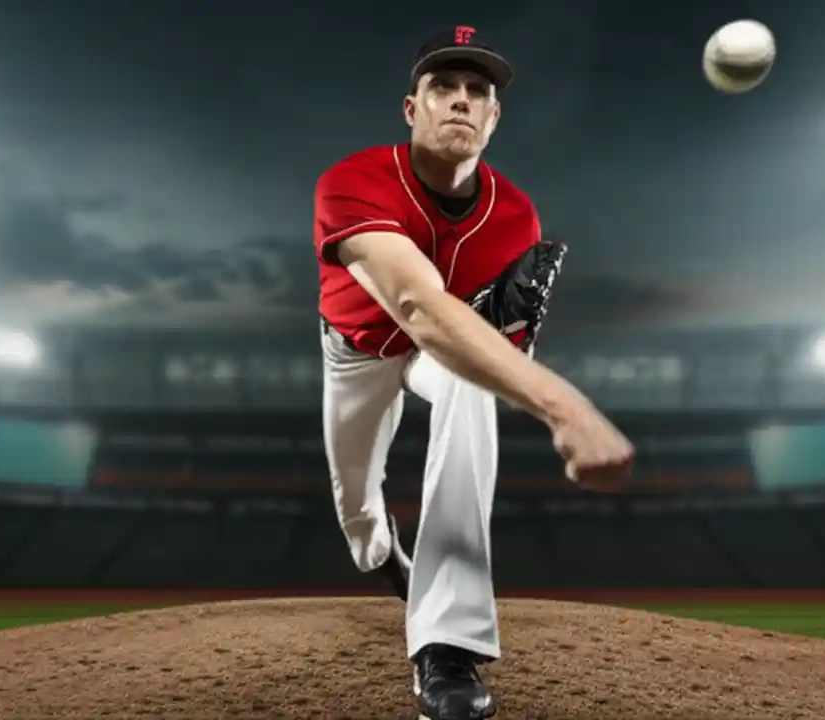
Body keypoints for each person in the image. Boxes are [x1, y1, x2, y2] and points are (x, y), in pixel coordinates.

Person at [313, 25, 635, 720]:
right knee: (356, 509)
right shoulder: (352, 181)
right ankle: (384, 557)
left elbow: (493, 356)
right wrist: (565, 408)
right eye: (443, 87)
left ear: (493, 117)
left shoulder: (515, 215)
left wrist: (513, 344)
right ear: (412, 109)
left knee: (467, 386)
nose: (460, 101)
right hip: (359, 349)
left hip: (441, 355)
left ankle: (448, 645)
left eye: (476, 91)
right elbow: (415, 305)